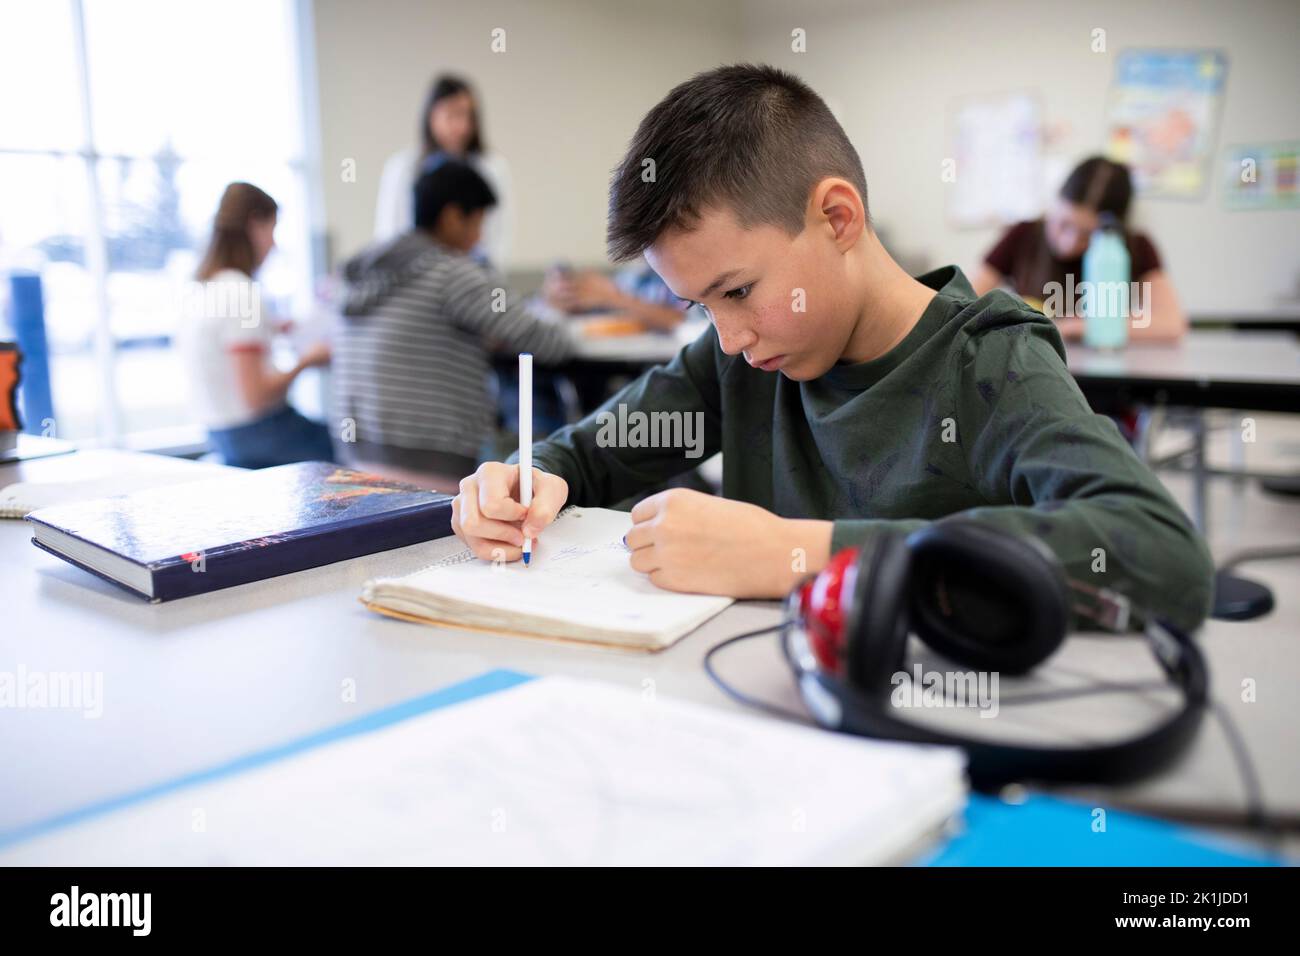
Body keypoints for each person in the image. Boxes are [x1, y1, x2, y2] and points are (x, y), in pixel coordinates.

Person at [449, 65, 1214, 633]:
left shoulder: (991, 362)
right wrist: (525, 478)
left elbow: (1161, 556)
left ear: (838, 218)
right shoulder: (735, 359)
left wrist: (796, 551)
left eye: (740, 290)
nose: (730, 337)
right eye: (698, 305)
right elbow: (582, 456)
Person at [334, 159, 572, 493]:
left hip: (355, 455)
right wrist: (555, 308)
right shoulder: (451, 272)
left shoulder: (363, 272)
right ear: (451, 217)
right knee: (525, 449)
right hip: (430, 460)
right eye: (477, 223)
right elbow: (548, 342)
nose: (479, 238)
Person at [181, 182, 333, 469]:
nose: (273, 245)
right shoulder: (242, 292)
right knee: (355, 446)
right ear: (254, 224)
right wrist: (307, 361)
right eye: (271, 230)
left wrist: (271, 329)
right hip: (261, 435)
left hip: (222, 435)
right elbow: (256, 396)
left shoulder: (203, 289)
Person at [971, 157, 1187, 341]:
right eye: (1063, 224)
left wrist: (1090, 327)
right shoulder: (1023, 235)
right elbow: (967, 301)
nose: (1070, 242)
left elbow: (1171, 324)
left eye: (1088, 234)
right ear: (1055, 201)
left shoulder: (1135, 247)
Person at [374, 74, 512, 268]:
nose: (462, 127)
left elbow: (499, 236)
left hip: (472, 275)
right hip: (414, 273)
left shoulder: (492, 167)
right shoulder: (403, 167)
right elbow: (389, 232)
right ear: (431, 116)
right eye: (452, 115)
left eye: (468, 116)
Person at [542, 258, 689, 332]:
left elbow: (683, 323)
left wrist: (612, 298)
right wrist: (569, 300)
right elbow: (601, 306)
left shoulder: (683, 275)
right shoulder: (634, 275)